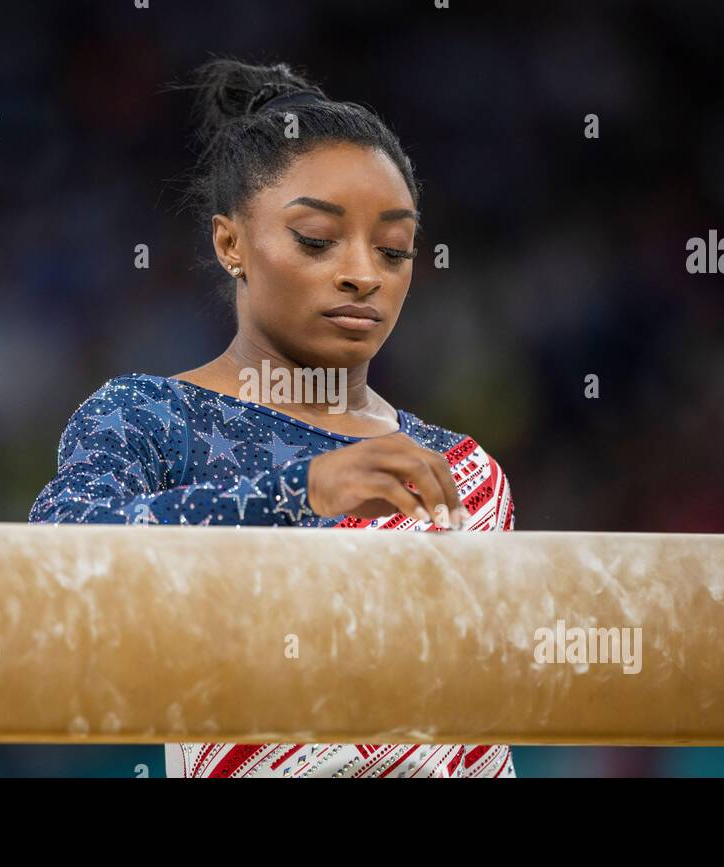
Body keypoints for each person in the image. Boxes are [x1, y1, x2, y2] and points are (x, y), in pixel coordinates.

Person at [30, 59, 515, 778]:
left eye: (393, 249)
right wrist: (303, 490)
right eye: (317, 240)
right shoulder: (155, 415)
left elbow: (480, 747)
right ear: (231, 244)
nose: (363, 274)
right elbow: (60, 557)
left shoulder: (461, 472)